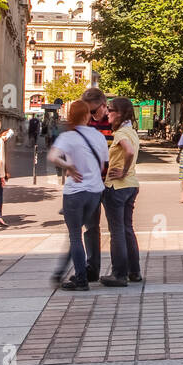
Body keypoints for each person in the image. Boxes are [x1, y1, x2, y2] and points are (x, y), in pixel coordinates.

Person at [47, 101, 107, 291]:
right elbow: (104, 164)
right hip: (95, 191)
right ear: (88, 115)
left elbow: (52, 157)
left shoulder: (68, 137)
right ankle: (65, 272)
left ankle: (81, 279)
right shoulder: (98, 136)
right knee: (84, 231)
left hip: (75, 191)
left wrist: (69, 167)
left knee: (74, 236)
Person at [99, 98, 141, 287]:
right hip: (131, 185)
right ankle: (134, 272)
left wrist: (122, 170)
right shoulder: (132, 131)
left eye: (110, 110)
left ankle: (119, 274)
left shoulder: (121, 133)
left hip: (116, 186)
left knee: (116, 231)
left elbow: (129, 151)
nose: (107, 113)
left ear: (120, 113)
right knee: (127, 229)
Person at [81, 88, 112, 282]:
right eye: (88, 111)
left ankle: (121, 269)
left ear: (104, 105)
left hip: (109, 183)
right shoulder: (85, 123)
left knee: (116, 227)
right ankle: (92, 268)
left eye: (94, 111)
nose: (91, 115)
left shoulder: (115, 122)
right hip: (90, 184)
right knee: (91, 227)